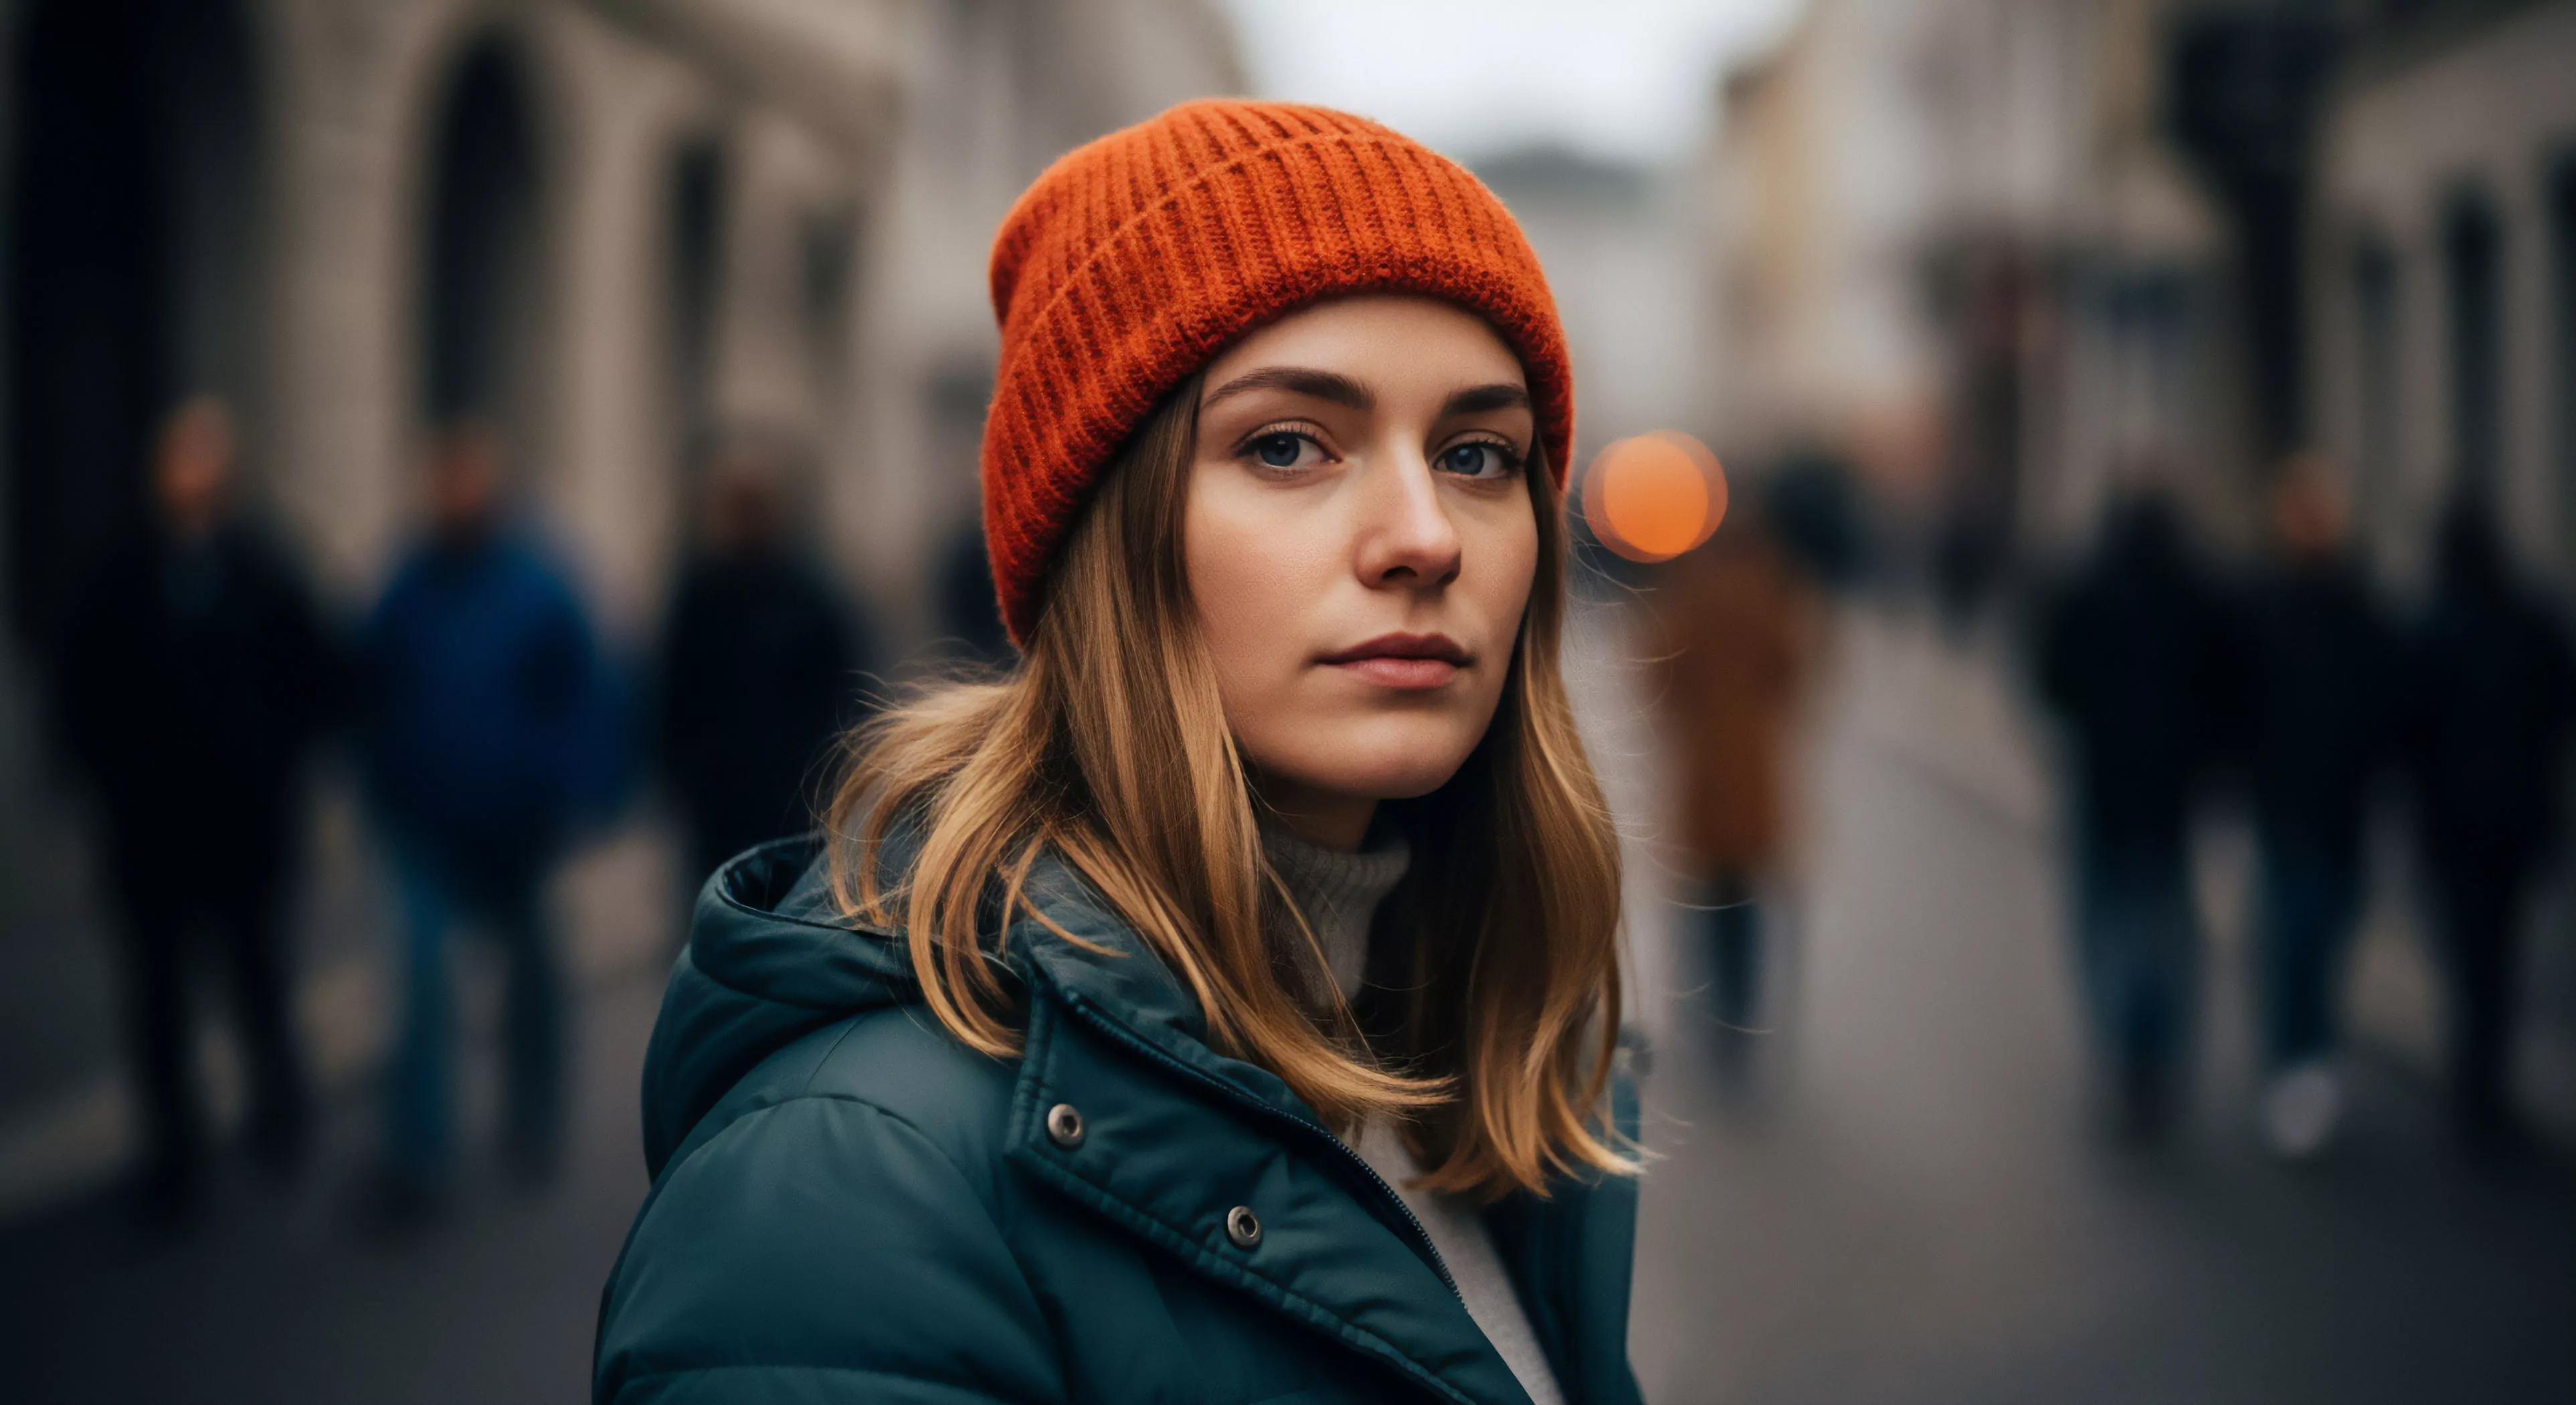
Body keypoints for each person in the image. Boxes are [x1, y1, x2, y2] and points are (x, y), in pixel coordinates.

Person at [595, 101, 1643, 1405]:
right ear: (1106, 537)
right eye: (1285, 445)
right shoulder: (846, 1190)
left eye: (1479, 453)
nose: (1425, 535)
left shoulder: (1488, 1068)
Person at [57, 395, 335, 1221]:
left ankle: (279, 1111)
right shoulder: (122, 571)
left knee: (256, 976)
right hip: (149, 827)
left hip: (244, 824)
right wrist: (106, 779)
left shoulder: (265, 567)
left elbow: (313, 678)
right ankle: (171, 1153)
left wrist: (274, 764)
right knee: (157, 996)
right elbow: (81, 691)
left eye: (204, 462)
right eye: (178, 462)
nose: (190, 479)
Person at [363, 421, 604, 1215]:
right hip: (428, 819)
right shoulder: (408, 583)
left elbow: (587, 694)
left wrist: (568, 791)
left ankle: (533, 1117)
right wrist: (384, 784)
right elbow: (372, 688)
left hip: (517, 825)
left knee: (532, 976)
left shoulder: (538, 584)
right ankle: (417, 1152)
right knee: (423, 983)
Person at [2034, 485, 2239, 1140]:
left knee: (2105, 930)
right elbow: (2228, 688)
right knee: (2166, 930)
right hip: (2171, 800)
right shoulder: (2197, 595)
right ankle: (2156, 1051)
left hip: (2102, 790)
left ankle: (2123, 1049)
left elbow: (2051, 678)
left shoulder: (2088, 590)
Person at [2231, 460, 2397, 1159]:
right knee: (2302, 939)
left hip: (2319, 808)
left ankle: (2302, 1065)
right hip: (2305, 809)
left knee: (2308, 939)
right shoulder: (2317, 603)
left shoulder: (2334, 604)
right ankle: (2300, 1067)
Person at [2403, 497, 2576, 1151]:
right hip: (2515, 819)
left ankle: (2476, 1081)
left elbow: (2407, 726)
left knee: (2471, 954)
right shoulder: (2529, 621)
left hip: (2455, 826)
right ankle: (2485, 1082)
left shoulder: (2434, 627)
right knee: (2497, 953)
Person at [1645, 493, 1820, 1066]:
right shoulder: (1775, 593)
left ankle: (1707, 1011)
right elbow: (1799, 671)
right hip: (1756, 773)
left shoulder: (1692, 592)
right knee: (1745, 904)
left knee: (1702, 905)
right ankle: (1740, 1013)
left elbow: (1656, 671)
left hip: (1701, 774)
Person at [655, 432, 869, 892]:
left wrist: (825, 772)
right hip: (718, 799)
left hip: (788, 794)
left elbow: (840, 688)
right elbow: (675, 694)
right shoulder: (702, 592)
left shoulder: (806, 592)